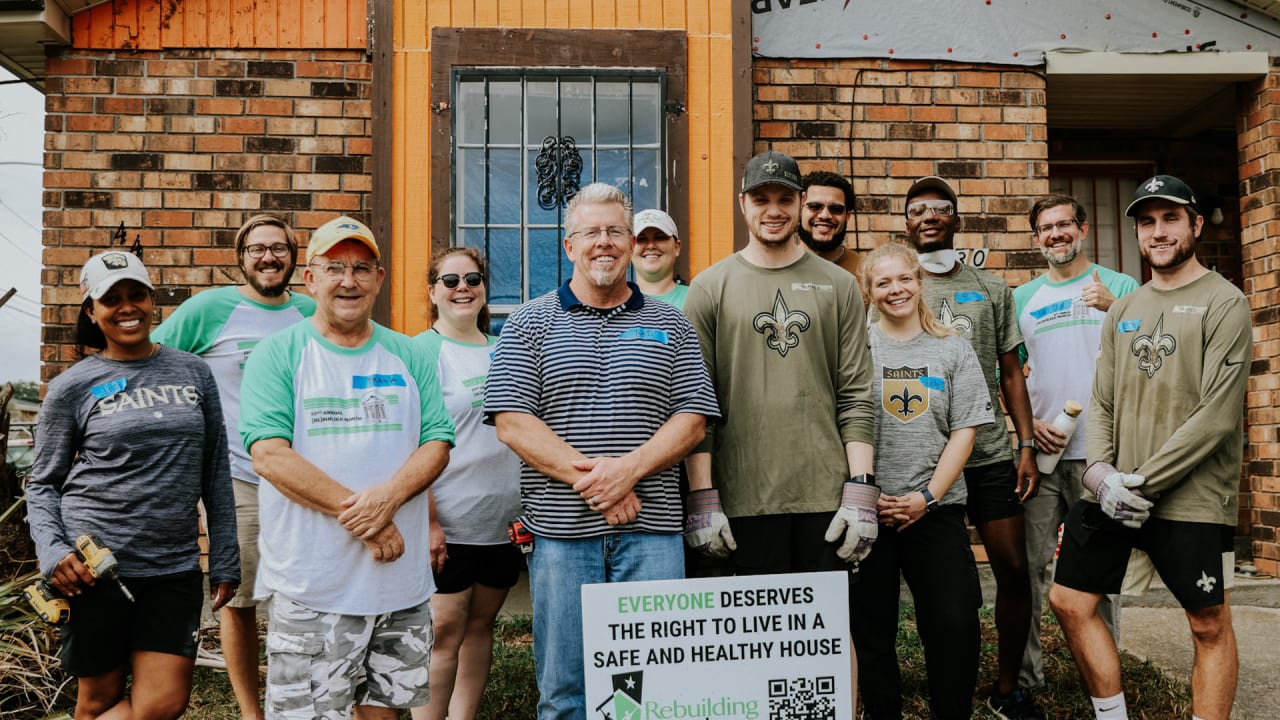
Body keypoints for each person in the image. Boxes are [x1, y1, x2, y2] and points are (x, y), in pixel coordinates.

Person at [485, 183, 719, 720]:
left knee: (650, 691)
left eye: (615, 231)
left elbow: (693, 419)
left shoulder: (669, 322)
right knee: (566, 691)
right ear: (569, 246)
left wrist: (629, 471)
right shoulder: (529, 323)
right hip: (563, 538)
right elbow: (512, 422)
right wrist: (599, 482)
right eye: (591, 232)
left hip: (654, 534)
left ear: (633, 243)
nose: (604, 243)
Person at [1049, 175, 1251, 720]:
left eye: (1170, 219)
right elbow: (1104, 400)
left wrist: (1136, 482)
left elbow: (1216, 416)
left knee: (1208, 622)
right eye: (1147, 222)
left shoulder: (1224, 302)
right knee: (1069, 600)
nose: (1157, 232)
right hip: (1116, 489)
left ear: (1195, 225)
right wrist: (1100, 474)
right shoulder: (1124, 309)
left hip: (1190, 496)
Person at [239, 215, 455, 720]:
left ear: (380, 279)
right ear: (310, 278)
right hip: (315, 586)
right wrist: (368, 519)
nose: (349, 280)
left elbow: (438, 441)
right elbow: (269, 453)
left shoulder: (409, 353)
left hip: (401, 589)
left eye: (362, 268)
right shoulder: (279, 353)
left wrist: (387, 500)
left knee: (384, 713)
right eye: (334, 267)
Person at [27, 250, 239, 720]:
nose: (127, 307)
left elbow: (214, 471)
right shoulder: (73, 386)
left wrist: (224, 557)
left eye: (136, 294)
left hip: (173, 567)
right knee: (97, 702)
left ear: (151, 299)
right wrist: (52, 552)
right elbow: (42, 483)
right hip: (96, 567)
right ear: (92, 311)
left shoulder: (193, 372)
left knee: (163, 704)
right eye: (112, 299)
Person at [150, 213, 315, 720]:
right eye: (257, 249)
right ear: (241, 258)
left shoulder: (313, 310)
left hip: (308, 480)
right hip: (238, 479)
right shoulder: (210, 309)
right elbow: (151, 359)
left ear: (294, 257)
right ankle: (252, 712)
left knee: (307, 597)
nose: (269, 257)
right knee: (239, 601)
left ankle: (306, 699)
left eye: (279, 248)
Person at [683, 150, 877, 574]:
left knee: (827, 634)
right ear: (742, 204)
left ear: (801, 204)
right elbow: (698, 404)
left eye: (785, 200)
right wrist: (702, 495)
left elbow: (857, 395)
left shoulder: (841, 285)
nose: (773, 211)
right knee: (753, 636)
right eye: (761, 200)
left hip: (825, 496)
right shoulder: (709, 287)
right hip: (740, 496)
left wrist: (861, 491)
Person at [901, 176, 1040, 718]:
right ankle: (941, 685)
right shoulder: (897, 285)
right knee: (941, 583)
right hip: (925, 460)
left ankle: (1007, 689)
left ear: (957, 220)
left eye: (941, 208)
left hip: (987, 457)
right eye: (918, 209)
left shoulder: (991, 287)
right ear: (907, 222)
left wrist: (1025, 443)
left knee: (1012, 568)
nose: (929, 216)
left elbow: (1011, 371)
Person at [851, 242, 992, 720]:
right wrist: (865, 493)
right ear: (868, 291)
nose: (896, 290)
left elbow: (965, 429)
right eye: (883, 282)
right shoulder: (856, 349)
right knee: (871, 629)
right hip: (868, 510)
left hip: (935, 508)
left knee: (953, 622)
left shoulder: (952, 347)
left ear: (920, 281)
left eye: (904, 279)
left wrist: (926, 496)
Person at [1012, 195, 1137, 698]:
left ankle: (1104, 685)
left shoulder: (1122, 287)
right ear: (1035, 237)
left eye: (1065, 224)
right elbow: (1013, 374)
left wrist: (1118, 309)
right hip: (1043, 455)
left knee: (1097, 576)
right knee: (1027, 571)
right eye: (1046, 227)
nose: (1056, 234)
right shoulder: (1022, 298)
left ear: (1083, 230)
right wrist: (1027, 425)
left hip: (1101, 455)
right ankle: (1026, 683)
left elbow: (1149, 351)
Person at [409, 247, 522, 720]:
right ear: (432, 290)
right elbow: (412, 443)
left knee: (481, 626)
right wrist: (429, 522)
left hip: (503, 522)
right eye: (450, 280)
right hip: (448, 522)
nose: (462, 288)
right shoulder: (419, 351)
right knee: (443, 631)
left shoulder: (504, 350)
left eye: (472, 279)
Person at [799, 170, 861, 275]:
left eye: (836, 209)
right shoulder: (778, 265)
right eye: (815, 207)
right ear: (799, 211)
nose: (825, 216)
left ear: (847, 216)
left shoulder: (866, 270)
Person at [631, 208, 688, 309]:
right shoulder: (616, 301)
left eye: (660, 238)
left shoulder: (694, 298)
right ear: (629, 248)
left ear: (677, 247)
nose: (651, 246)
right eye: (641, 239)